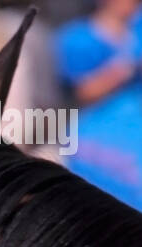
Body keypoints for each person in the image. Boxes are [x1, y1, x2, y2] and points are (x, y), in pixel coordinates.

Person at [55, 0, 142, 210]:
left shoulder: (137, 32)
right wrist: (125, 67)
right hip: (99, 138)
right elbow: (82, 92)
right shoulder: (77, 38)